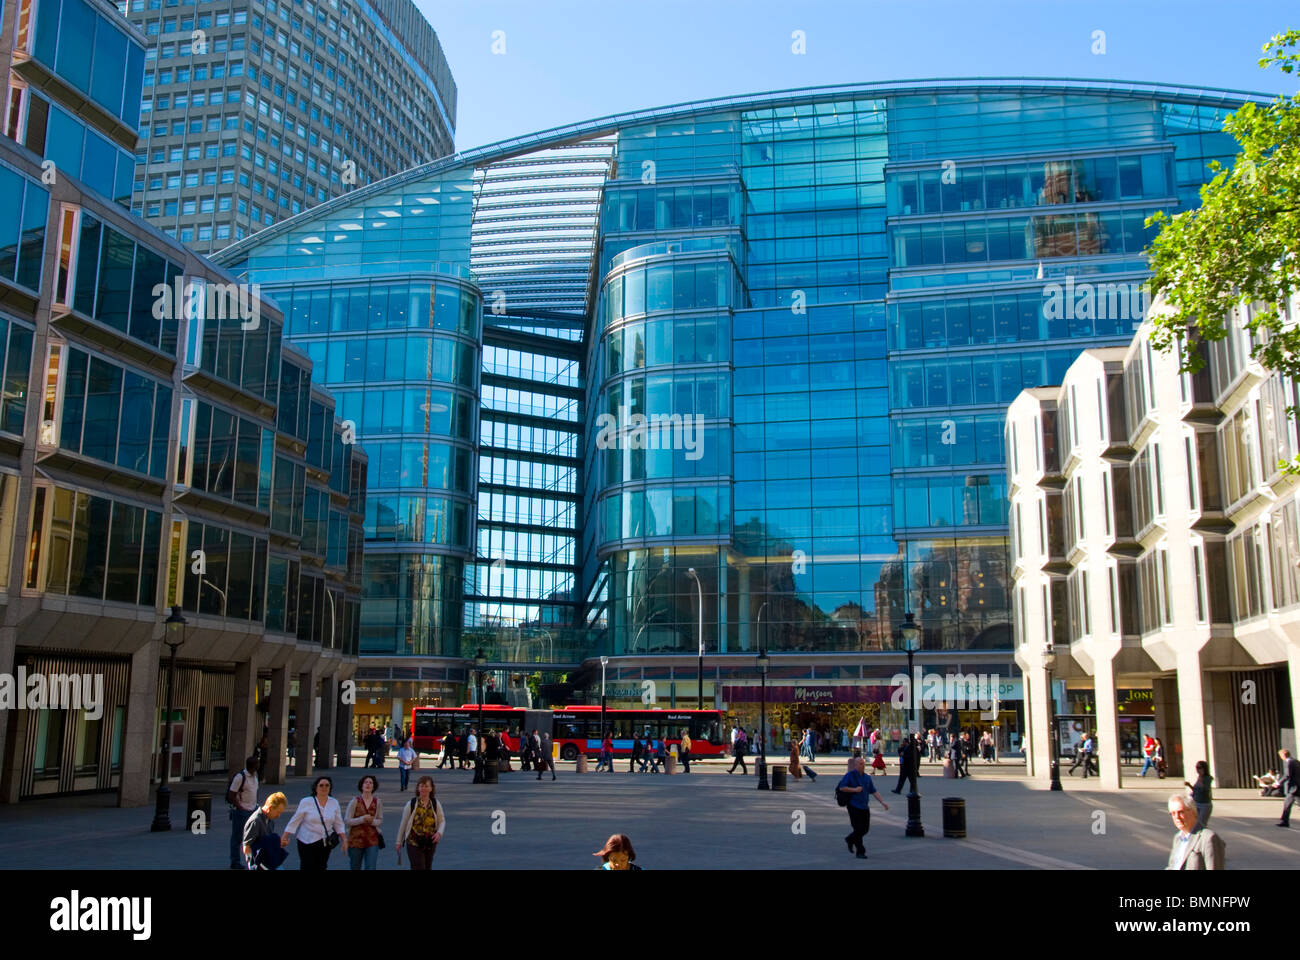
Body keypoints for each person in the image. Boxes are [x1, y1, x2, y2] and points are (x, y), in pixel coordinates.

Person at [281, 776, 348, 870]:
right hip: (306, 840)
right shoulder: (306, 801)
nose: (324, 787)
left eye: (327, 785)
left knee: (321, 866)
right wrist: (285, 836)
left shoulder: (334, 803)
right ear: (316, 788)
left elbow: (338, 823)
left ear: (330, 788)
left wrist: (344, 839)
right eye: (321, 785)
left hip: (325, 842)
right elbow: (295, 820)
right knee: (307, 866)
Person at [837, 755, 889, 859]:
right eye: (860, 764)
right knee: (858, 828)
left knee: (865, 829)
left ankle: (850, 839)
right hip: (853, 806)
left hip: (864, 807)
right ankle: (860, 851)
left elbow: (873, 791)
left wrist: (882, 802)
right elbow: (842, 788)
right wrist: (854, 790)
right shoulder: (850, 775)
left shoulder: (867, 777)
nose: (862, 766)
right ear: (855, 765)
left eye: (863, 764)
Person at [396, 775, 445, 870]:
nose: (424, 788)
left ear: (431, 788)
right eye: (421, 786)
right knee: (418, 866)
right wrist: (398, 842)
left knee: (427, 866)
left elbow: (442, 821)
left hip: (430, 841)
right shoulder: (411, 804)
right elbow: (404, 823)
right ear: (418, 788)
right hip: (413, 841)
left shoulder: (435, 803)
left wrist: (439, 833)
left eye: (426, 786)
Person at [1166, 795, 1224, 869]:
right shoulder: (1178, 838)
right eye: (1173, 813)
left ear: (1193, 812)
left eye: (1180, 812)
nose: (1177, 817)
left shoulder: (1208, 838)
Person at [225, 756, 260, 870]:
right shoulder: (240, 777)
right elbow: (231, 795)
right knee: (237, 838)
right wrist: (240, 807)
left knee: (254, 838)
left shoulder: (255, 776)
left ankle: (254, 860)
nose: (258, 766)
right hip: (242, 812)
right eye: (257, 764)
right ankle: (235, 862)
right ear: (252, 766)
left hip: (253, 810)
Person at [344, 774, 384, 870]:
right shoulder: (355, 801)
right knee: (355, 866)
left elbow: (380, 820)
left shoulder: (377, 802)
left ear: (373, 787)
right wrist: (361, 819)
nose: (368, 784)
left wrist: (372, 821)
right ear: (361, 786)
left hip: (372, 839)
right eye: (366, 782)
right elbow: (347, 820)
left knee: (371, 866)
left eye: (370, 783)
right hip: (355, 840)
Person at [242, 792, 289, 870]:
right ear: (269, 808)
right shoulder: (255, 821)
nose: (279, 816)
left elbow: (267, 842)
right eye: (278, 812)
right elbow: (246, 847)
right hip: (260, 863)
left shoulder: (269, 820)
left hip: (269, 860)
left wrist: (279, 843)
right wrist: (256, 864)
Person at [1183, 761, 1213, 828]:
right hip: (1196, 803)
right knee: (1195, 822)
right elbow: (1196, 790)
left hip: (1204, 805)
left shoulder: (1208, 778)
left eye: (1199, 768)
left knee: (1201, 824)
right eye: (1196, 768)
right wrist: (1189, 785)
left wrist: (1201, 778)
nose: (1197, 770)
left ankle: (1204, 837)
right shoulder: (1198, 778)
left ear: (1204, 768)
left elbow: (1205, 789)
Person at [1277, 748, 1300, 826]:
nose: (1281, 758)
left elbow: (1287, 775)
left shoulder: (1289, 762)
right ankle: (1284, 821)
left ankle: (1285, 821)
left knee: (1287, 804)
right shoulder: (1296, 761)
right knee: (1287, 804)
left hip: (1293, 788)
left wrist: (1278, 782)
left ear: (1283, 755)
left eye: (1281, 756)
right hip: (1296, 787)